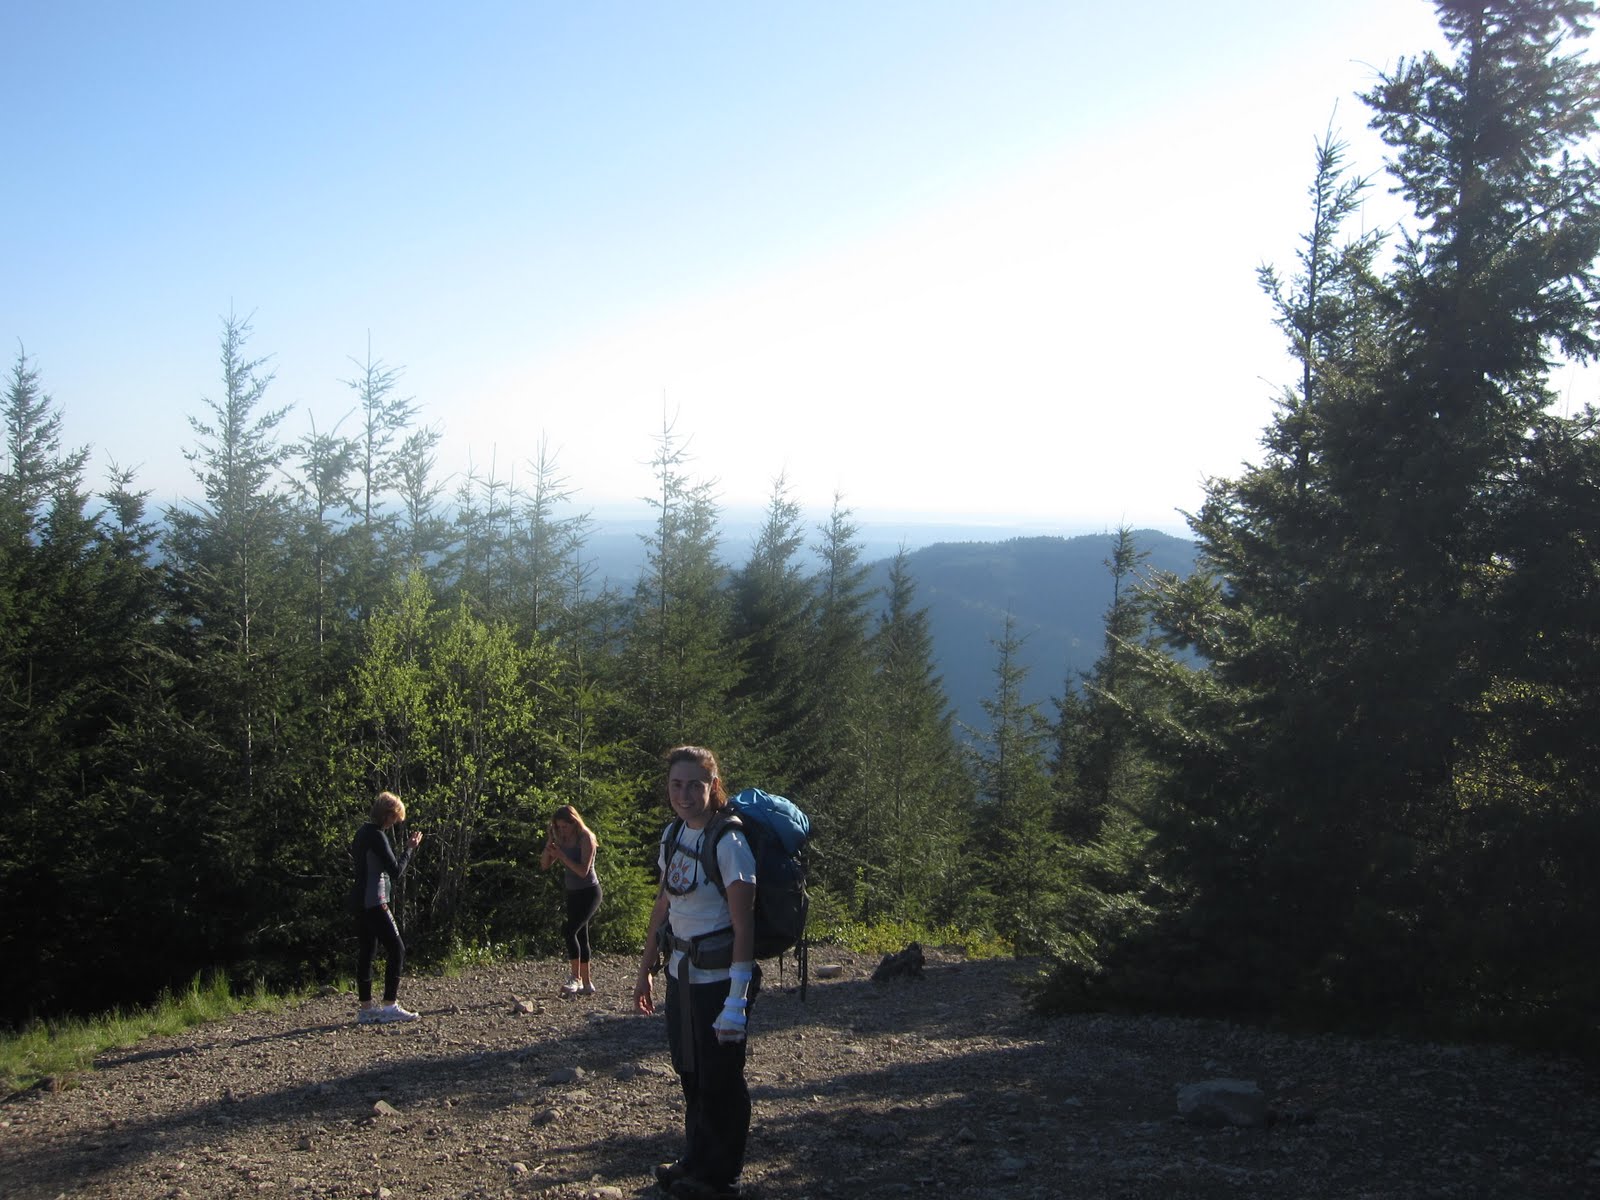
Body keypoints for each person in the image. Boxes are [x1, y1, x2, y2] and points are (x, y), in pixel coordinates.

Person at [634, 745, 759, 1200]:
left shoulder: (730, 843)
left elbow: (744, 924)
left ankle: (722, 1179)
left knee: (720, 1078)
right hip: (682, 976)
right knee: (690, 1072)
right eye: (676, 784)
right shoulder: (674, 834)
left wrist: (736, 1001)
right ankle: (696, 1159)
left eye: (694, 785)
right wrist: (646, 969)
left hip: (721, 982)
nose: (684, 794)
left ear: (713, 785)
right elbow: (663, 904)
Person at [351, 790, 423, 1024]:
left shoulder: (362, 832)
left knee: (367, 951)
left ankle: (365, 1009)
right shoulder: (377, 836)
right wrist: (410, 848)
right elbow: (396, 871)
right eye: (395, 818)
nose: (394, 823)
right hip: (375, 901)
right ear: (387, 815)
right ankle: (390, 1005)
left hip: (359, 900)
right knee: (397, 949)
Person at [540, 803, 602, 996]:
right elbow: (544, 865)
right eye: (558, 827)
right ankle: (587, 983)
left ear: (574, 822)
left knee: (569, 931)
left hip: (589, 892)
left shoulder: (586, 838)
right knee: (581, 936)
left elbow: (583, 871)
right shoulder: (562, 839)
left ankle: (575, 977)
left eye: (565, 826)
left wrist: (562, 856)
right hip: (573, 892)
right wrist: (549, 845)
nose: (562, 830)